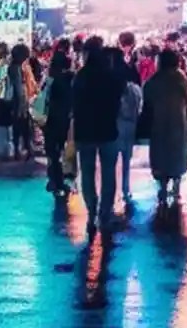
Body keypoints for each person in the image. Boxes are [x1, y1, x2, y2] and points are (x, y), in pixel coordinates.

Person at [72, 37, 121, 232]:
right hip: (108, 130)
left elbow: (74, 104)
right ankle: (105, 214)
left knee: (87, 173)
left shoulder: (81, 76)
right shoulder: (111, 76)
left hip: (85, 132)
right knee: (109, 174)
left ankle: (91, 211)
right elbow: (117, 101)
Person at [143, 48, 187, 207]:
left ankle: (163, 187)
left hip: (159, 124)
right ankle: (176, 186)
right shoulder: (181, 78)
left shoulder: (153, 81)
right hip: (178, 123)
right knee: (177, 155)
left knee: (161, 155)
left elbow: (147, 104)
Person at [111, 47, 143, 205]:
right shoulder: (132, 81)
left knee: (111, 160)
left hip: (114, 123)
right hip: (130, 123)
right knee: (126, 159)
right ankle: (125, 188)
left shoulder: (109, 78)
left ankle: (111, 191)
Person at [42, 52, 75, 199]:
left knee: (52, 153)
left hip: (50, 119)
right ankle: (60, 180)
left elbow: (43, 100)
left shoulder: (50, 81)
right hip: (64, 119)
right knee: (61, 150)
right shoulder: (70, 80)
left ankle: (54, 180)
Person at [7, 44, 36, 161]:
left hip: (16, 101)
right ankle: (27, 150)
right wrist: (22, 104)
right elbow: (19, 88)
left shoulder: (13, 67)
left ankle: (19, 150)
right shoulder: (17, 68)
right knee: (24, 127)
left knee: (17, 127)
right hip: (19, 102)